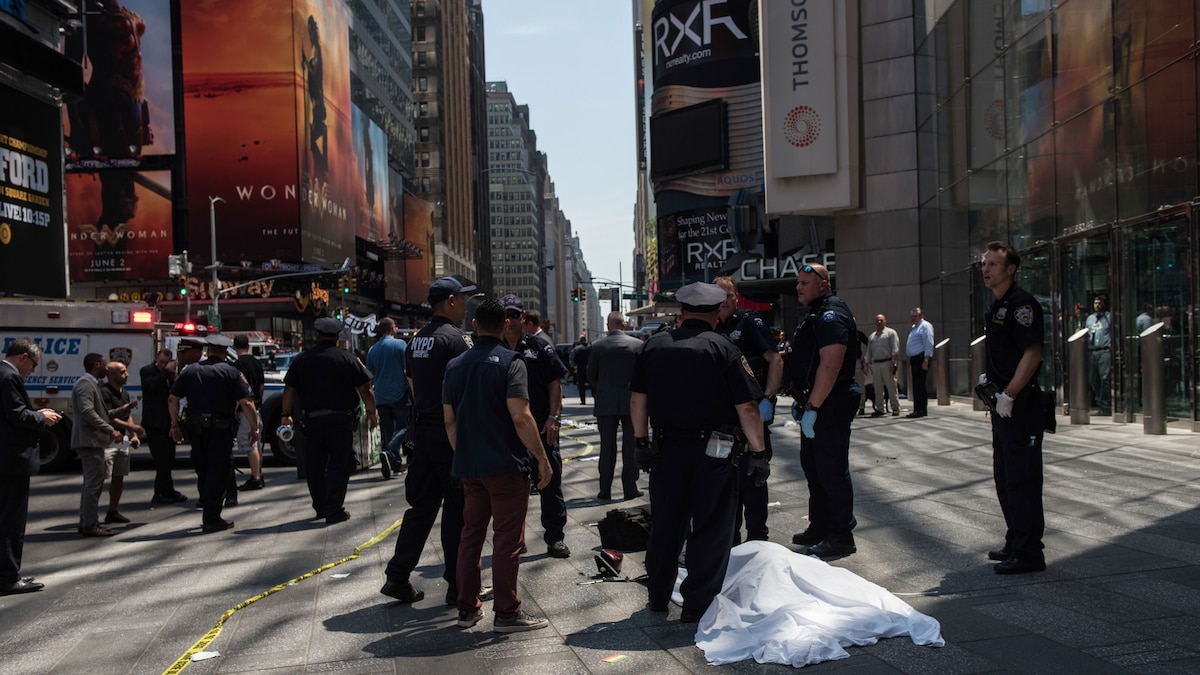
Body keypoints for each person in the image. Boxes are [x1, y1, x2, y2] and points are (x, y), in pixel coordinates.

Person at [630, 282, 767, 623]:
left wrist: (641, 442)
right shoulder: (724, 348)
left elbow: (637, 399)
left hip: (666, 449)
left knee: (666, 524)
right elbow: (747, 407)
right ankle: (697, 605)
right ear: (717, 312)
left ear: (682, 311)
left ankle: (658, 596)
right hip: (714, 452)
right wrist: (759, 451)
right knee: (711, 526)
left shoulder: (653, 345)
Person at [445, 298, 553, 633]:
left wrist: (465, 452)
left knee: (470, 535)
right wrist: (542, 458)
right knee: (507, 539)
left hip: (470, 466)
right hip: (506, 465)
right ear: (505, 324)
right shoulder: (511, 362)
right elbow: (521, 416)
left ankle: (467, 607)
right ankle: (507, 612)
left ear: (474, 325)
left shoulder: (454, 366)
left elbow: (449, 421)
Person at [382, 276, 475, 604]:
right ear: (450, 301)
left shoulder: (416, 340)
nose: (465, 305)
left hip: (422, 434)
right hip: (448, 436)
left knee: (420, 508)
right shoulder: (457, 340)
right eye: (462, 298)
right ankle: (457, 584)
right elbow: (465, 391)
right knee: (456, 508)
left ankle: (397, 575)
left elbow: (412, 386)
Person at [980, 241, 1047, 575]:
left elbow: (1032, 353)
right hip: (1003, 407)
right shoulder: (998, 305)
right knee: (1005, 477)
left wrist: (1009, 392)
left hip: (1020, 406)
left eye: (993, 264)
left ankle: (1029, 551)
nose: (986, 269)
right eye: (984, 263)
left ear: (1011, 269)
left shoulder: (1022, 304)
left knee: (1022, 479)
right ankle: (1016, 539)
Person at [786, 263, 861, 559]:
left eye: (805, 282)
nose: (799, 287)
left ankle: (841, 535)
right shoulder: (816, 314)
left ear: (823, 285)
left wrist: (813, 406)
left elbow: (830, 366)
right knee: (814, 467)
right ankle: (819, 526)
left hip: (831, 403)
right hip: (818, 402)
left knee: (831, 470)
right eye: (798, 283)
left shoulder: (831, 314)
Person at [281, 317, 376, 525]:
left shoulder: (302, 359)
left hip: (312, 422)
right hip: (340, 420)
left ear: (317, 335)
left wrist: (285, 414)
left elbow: (289, 390)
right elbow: (365, 389)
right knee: (339, 464)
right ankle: (334, 509)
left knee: (314, 465)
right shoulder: (347, 358)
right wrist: (372, 412)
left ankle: (321, 506)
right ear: (337, 337)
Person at [714, 275, 783, 544]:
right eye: (718, 296)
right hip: (722, 419)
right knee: (725, 483)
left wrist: (769, 398)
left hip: (752, 414)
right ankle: (730, 541)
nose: (724, 301)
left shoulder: (749, 322)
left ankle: (757, 539)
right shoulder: (712, 326)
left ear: (736, 297)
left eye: (728, 295)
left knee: (753, 477)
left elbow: (775, 360)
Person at [169, 336, 258, 533]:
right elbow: (246, 402)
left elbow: (172, 399)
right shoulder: (231, 372)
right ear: (225, 352)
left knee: (203, 468)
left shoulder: (189, 371)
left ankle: (207, 507)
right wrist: (254, 427)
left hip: (195, 428)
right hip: (220, 429)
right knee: (219, 470)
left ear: (208, 351)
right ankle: (212, 518)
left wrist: (174, 424)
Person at [1, 339, 62, 595]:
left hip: (7, 460)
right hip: (12, 460)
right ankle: (7, 577)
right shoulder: (9, 377)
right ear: (23, 357)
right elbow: (15, 414)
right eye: (34, 364)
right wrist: (41, 417)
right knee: (11, 521)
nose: (33, 370)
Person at [510, 299, 571, 558]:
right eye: (506, 315)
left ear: (523, 317)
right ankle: (515, 537)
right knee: (511, 486)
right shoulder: (494, 346)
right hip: (509, 426)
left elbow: (554, 384)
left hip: (541, 425)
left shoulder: (538, 346)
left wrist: (553, 418)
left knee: (550, 481)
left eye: (515, 315)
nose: (511, 320)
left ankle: (555, 537)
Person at [586, 311, 644, 501]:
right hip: (632, 403)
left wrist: (601, 390)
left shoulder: (597, 346)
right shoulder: (638, 345)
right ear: (624, 325)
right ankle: (630, 488)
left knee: (606, 447)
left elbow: (590, 374)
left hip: (606, 402)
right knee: (631, 447)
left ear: (608, 326)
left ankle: (605, 489)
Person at [72, 353, 123, 537]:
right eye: (104, 364)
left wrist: (122, 410)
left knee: (93, 483)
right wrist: (110, 430)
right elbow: (87, 412)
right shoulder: (85, 384)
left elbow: (99, 412)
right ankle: (90, 524)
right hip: (90, 440)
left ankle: (86, 521)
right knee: (93, 484)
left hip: (93, 440)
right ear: (96, 364)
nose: (107, 368)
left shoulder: (93, 384)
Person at [141, 349, 186, 504]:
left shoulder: (168, 375)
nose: (163, 365)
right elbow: (151, 386)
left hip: (167, 422)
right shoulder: (147, 371)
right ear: (156, 359)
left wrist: (173, 376)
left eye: (166, 363)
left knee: (169, 458)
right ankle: (160, 493)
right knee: (161, 460)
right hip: (154, 423)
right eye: (161, 362)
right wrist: (166, 372)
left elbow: (175, 393)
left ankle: (167, 490)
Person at [366, 317, 409, 480]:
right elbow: (408, 369)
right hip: (398, 393)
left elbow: (369, 374)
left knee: (388, 429)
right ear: (392, 329)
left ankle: (396, 463)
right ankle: (391, 451)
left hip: (381, 395)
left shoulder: (373, 349)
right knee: (403, 426)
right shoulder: (400, 345)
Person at [99, 360, 141, 526]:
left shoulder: (124, 393)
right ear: (111, 375)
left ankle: (112, 511)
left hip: (121, 440)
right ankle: (90, 514)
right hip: (108, 439)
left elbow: (127, 415)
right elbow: (109, 417)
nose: (126, 374)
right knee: (100, 478)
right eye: (122, 372)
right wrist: (132, 427)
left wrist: (133, 435)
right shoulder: (104, 392)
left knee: (119, 477)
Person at [233, 335, 267, 491]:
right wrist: (258, 400)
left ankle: (255, 478)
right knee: (257, 443)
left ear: (234, 346)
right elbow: (261, 386)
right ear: (248, 345)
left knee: (250, 444)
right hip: (257, 406)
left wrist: (234, 408)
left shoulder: (237, 365)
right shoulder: (257, 362)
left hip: (245, 409)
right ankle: (259, 473)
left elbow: (237, 390)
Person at [865, 314, 901, 417]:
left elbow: (895, 348)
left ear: (885, 321)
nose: (879, 322)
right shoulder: (872, 336)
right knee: (877, 388)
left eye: (881, 320)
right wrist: (866, 364)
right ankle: (880, 408)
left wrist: (893, 362)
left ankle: (895, 408)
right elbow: (869, 351)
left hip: (887, 363)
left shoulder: (891, 333)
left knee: (891, 387)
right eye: (877, 320)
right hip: (876, 364)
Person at [905, 307, 934, 418]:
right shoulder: (914, 328)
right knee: (916, 385)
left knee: (920, 385)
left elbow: (928, 342)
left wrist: (926, 359)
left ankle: (921, 409)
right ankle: (918, 408)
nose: (913, 318)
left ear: (921, 316)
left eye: (915, 316)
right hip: (914, 359)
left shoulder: (925, 326)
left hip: (921, 358)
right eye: (911, 316)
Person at [1085, 295, 1111, 414]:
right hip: (1092, 351)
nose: (1097, 306)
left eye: (1099, 303)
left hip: (1104, 350)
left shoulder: (1109, 317)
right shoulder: (1090, 319)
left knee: (1104, 377)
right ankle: (1098, 399)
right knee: (1092, 379)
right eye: (1095, 303)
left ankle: (1104, 403)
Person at [571, 337, 591, 405]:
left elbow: (574, 360)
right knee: (593, 386)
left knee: (581, 387)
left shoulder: (577, 349)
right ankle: (596, 399)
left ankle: (583, 401)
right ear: (585, 340)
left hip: (581, 370)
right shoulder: (591, 348)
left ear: (580, 341)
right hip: (590, 369)